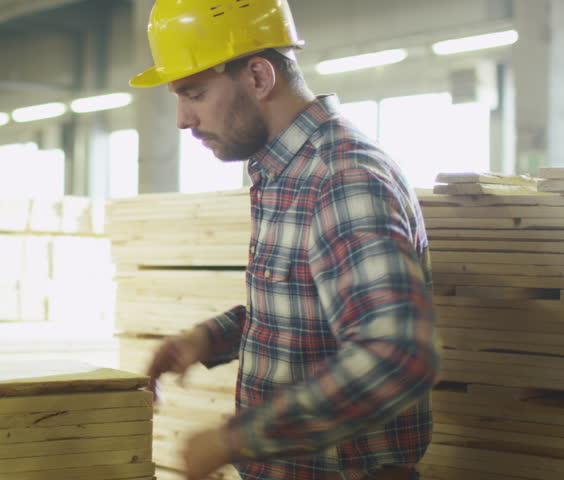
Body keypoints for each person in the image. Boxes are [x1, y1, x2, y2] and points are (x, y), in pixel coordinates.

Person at [130, 1, 440, 479]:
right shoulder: (286, 173)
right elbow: (310, 311)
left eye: (193, 93)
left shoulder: (342, 176)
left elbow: (395, 353)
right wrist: (207, 340)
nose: (181, 120)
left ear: (258, 76)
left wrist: (239, 438)